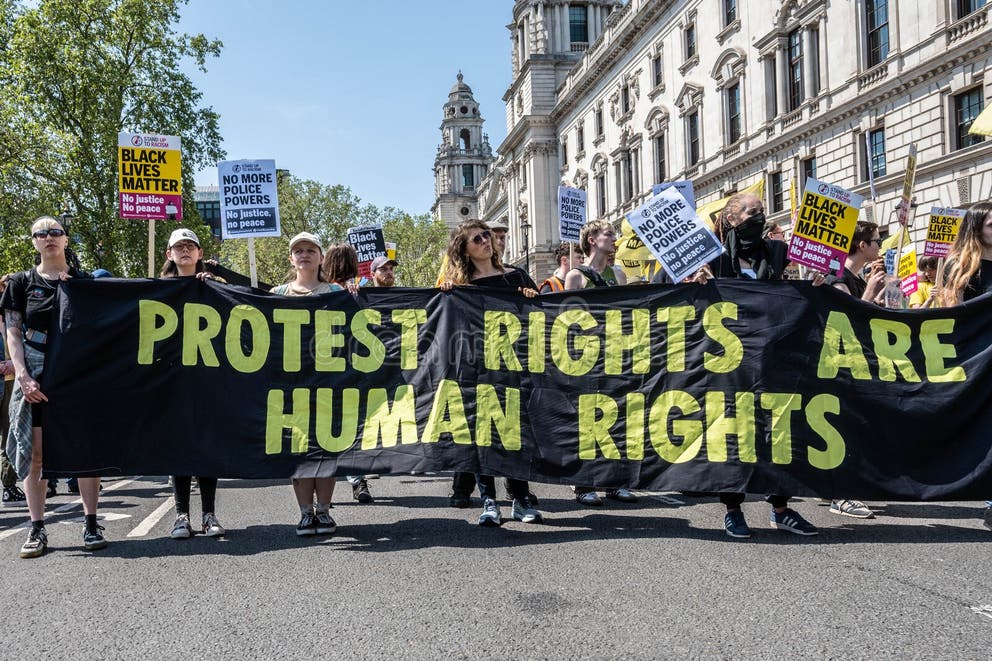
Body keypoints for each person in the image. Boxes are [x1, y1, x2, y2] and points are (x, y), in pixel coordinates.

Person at [703, 193, 819, 538]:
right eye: (752, 212)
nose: (760, 216)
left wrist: (815, 282)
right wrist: (701, 285)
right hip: (731, 364)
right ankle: (733, 509)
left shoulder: (779, 252)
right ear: (733, 218)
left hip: (774, 359)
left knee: (781, 433)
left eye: (762, 211)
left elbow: (797, 286)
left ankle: (781, 508)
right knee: (733, 435)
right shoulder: (717, 258)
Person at [1, 216, 104, 557]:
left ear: (66, 240)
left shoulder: (84, 282)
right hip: (36, 373)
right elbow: (13, 333)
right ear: (33, 241)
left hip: (75, 375)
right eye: (41, 233)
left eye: (55, 232)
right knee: (36, 455)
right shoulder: (20, 282)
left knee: (85, 451)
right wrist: (23, 375)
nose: (48, 237)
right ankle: (36, 529)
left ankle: (91, 523)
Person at [440, 220, 543, 526]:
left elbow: (542, 316)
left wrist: (531, 297)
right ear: (465, 250)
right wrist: (445, 294)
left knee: (516, 435)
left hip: (514, 369)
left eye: (486, 235)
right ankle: (489, 500)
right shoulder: (460, 286)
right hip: (477, 370)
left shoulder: (517, 276)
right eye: (477, 239)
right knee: (482, 437)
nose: (486, 241)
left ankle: (521, 500)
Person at [563, 221, 639, 506]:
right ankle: (583, 483)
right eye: (608, 234)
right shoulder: (576, 276)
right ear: (592, 240)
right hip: (586, 357)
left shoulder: (618, 273)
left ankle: (615, 481)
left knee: (617, 418)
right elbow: (569, 321)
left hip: (613, 355)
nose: (613, 238)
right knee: (587, 422)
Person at [159, 228, 226, 540]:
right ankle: (181, 515)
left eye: (190, 246)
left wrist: (217, 286)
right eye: (178, 247)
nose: (184, 251)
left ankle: (209, 514)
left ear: (200, 254)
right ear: (169, 254)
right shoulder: (157, 290)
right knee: (178, 446)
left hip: (207, 378)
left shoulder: (215, 287)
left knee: (207, 444)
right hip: (172, 380)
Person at [272, 232, 339, 536]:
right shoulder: (277, 293)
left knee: (327, 448)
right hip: (291, 386)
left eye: (311, 250)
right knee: (298, 450)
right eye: (298, 250)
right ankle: (304, 512)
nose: (304, 254)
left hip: (329, 384)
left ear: (321, 257)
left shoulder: (335, 291)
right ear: (291, 259)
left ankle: (323, 511)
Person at [822, 221, 884, 519]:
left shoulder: (856, 276)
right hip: (841, 365)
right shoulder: (838, 277)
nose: (879, 246)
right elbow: (846, 321)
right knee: (843, 427)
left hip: (859, 362)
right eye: (876, 240)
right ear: (862, 245)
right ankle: (840, 494)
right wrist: (870, 293)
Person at [936, 200, 992, 532]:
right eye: (991, 224)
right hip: (979, 361)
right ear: (976, 229)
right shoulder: (959, 265)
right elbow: (950, 316)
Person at [323, 242, 375, 505]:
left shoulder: (318, 289)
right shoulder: (353, 290)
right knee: (351, 428)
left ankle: (322, 488)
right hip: (352, 368)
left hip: (323, 369)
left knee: (326, 430)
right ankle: (357, 479)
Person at [1, 274, 27, 508]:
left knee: (10, 434)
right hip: (7, 379)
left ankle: (9, 486)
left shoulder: (13, 315)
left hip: (11, 381)